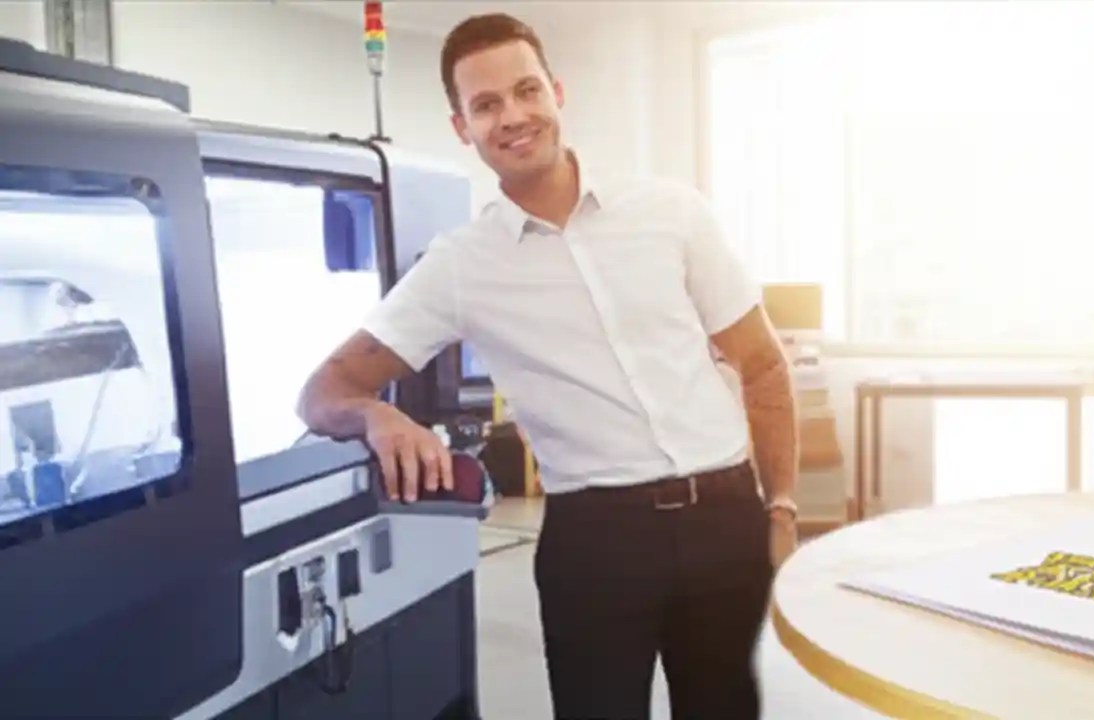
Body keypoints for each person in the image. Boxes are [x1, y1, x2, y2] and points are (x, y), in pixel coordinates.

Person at [296, 12, 799, 720]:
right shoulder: (463, 264)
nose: (513, 115)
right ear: (461, 127)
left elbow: (763, 364)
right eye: (486, 104)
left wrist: (779, 506)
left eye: (527, 90)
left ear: (557, 92)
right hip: (596, 544)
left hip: (725, 522)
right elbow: (323, 390)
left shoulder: (670, 212)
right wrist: (377, 413)